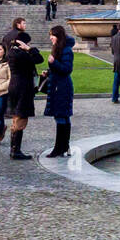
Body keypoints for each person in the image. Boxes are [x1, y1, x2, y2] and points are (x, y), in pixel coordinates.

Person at [6, 30, 44, 160]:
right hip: (22, 87)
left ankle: (14, 149)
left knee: (17, 117)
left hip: (15, 85)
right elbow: (39, 59)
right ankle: (15, 150)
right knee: (21, 118)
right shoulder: (20, 54)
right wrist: (29, 48)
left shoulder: (12, 52)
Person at [43, 25, 75, 157]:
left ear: (59, 36)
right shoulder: (59, 48)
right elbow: (59, 69)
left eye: (53, 35)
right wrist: (49, 72)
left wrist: (54, 62)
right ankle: (64, 146)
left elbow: (67, 69)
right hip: (58, 84)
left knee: (61, 116)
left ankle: (59, 147)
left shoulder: (66, 50)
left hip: (62, 87)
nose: (51, 37)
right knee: (63, 116)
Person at [109, 22, 120, 103]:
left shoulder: (114, 37)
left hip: (116, 60)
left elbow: (112, 50)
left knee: (116, 80)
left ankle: (114, 98)